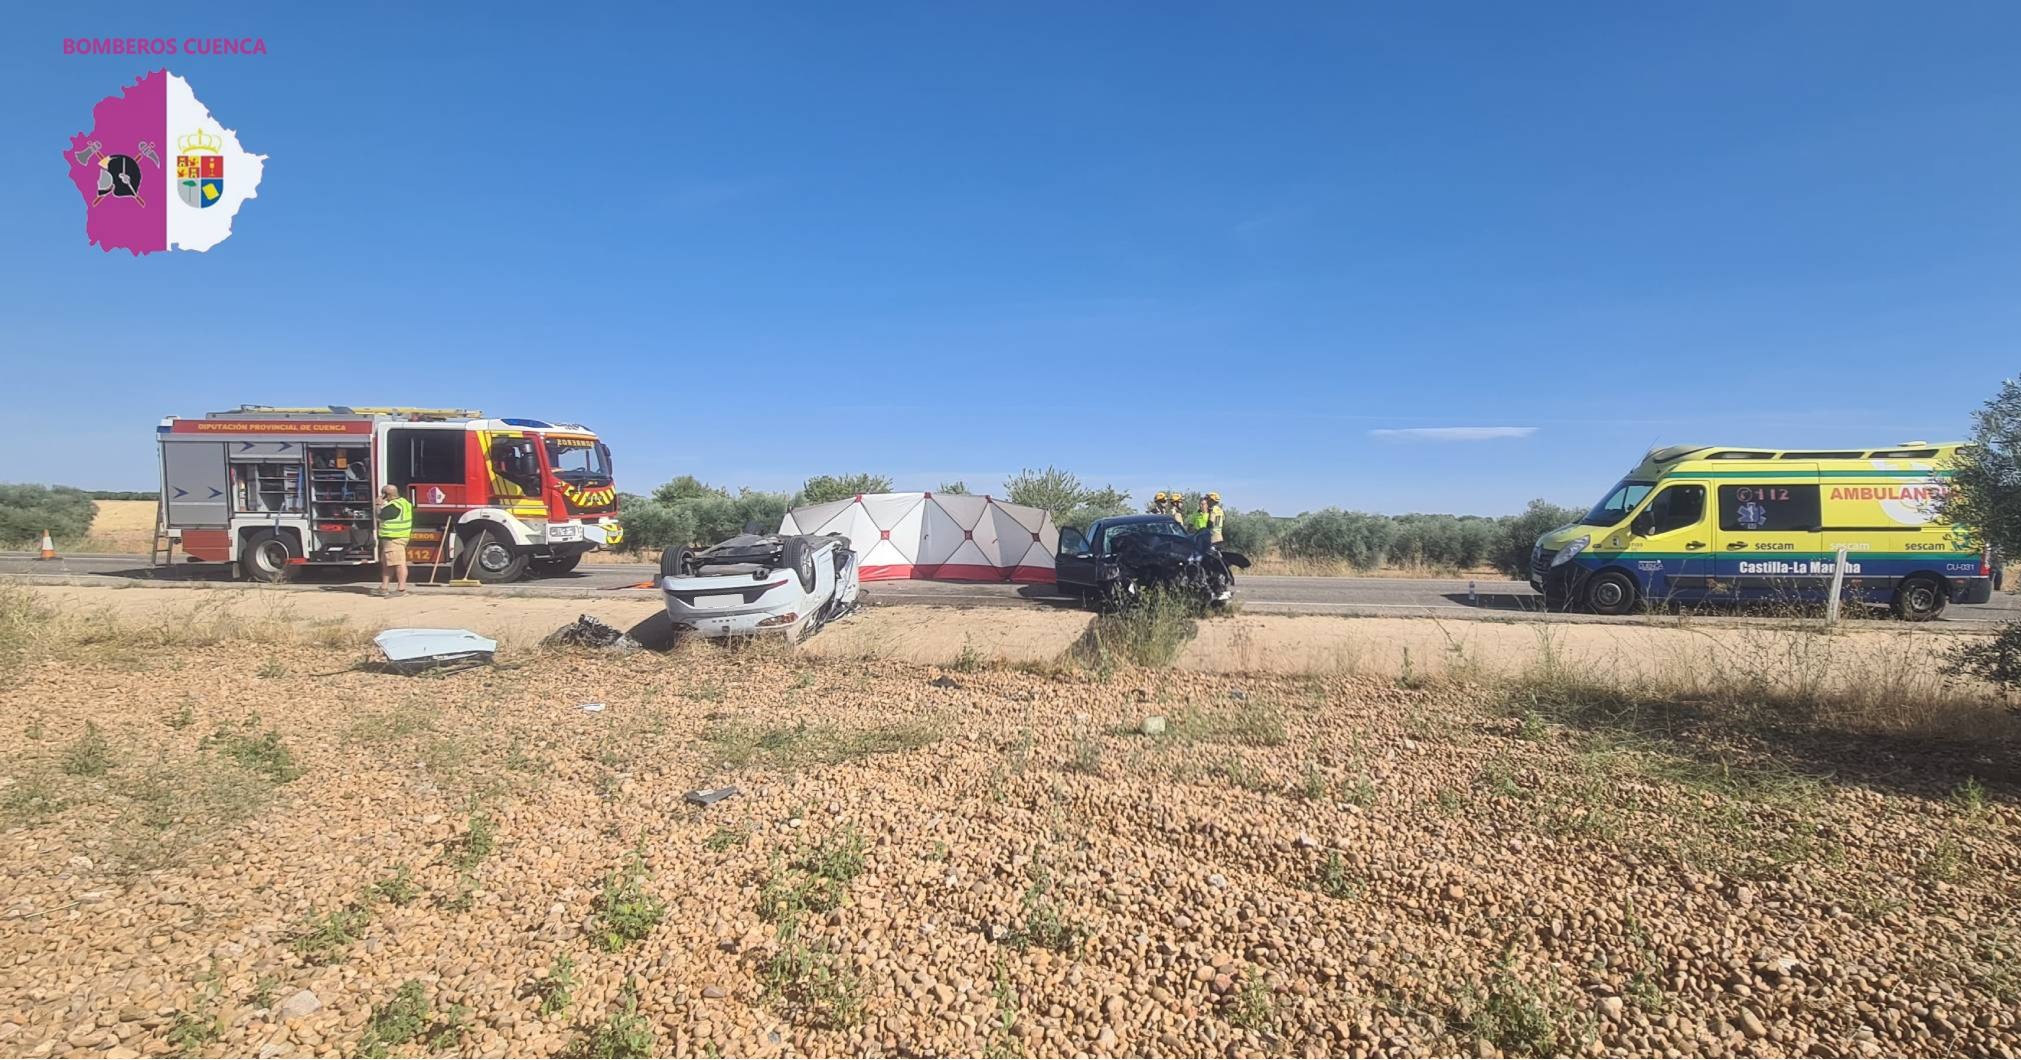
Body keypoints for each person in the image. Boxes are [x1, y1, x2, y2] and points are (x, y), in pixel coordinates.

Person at [376, 484, 414, 596]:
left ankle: (401, 589)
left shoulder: (393, 507)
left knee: (399, 563)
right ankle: (384, 587)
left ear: (385, 495)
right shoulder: (404, 502)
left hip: (394, 538)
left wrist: (378, 504)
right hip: (398, 537)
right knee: (388, 563)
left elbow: (379, 515)